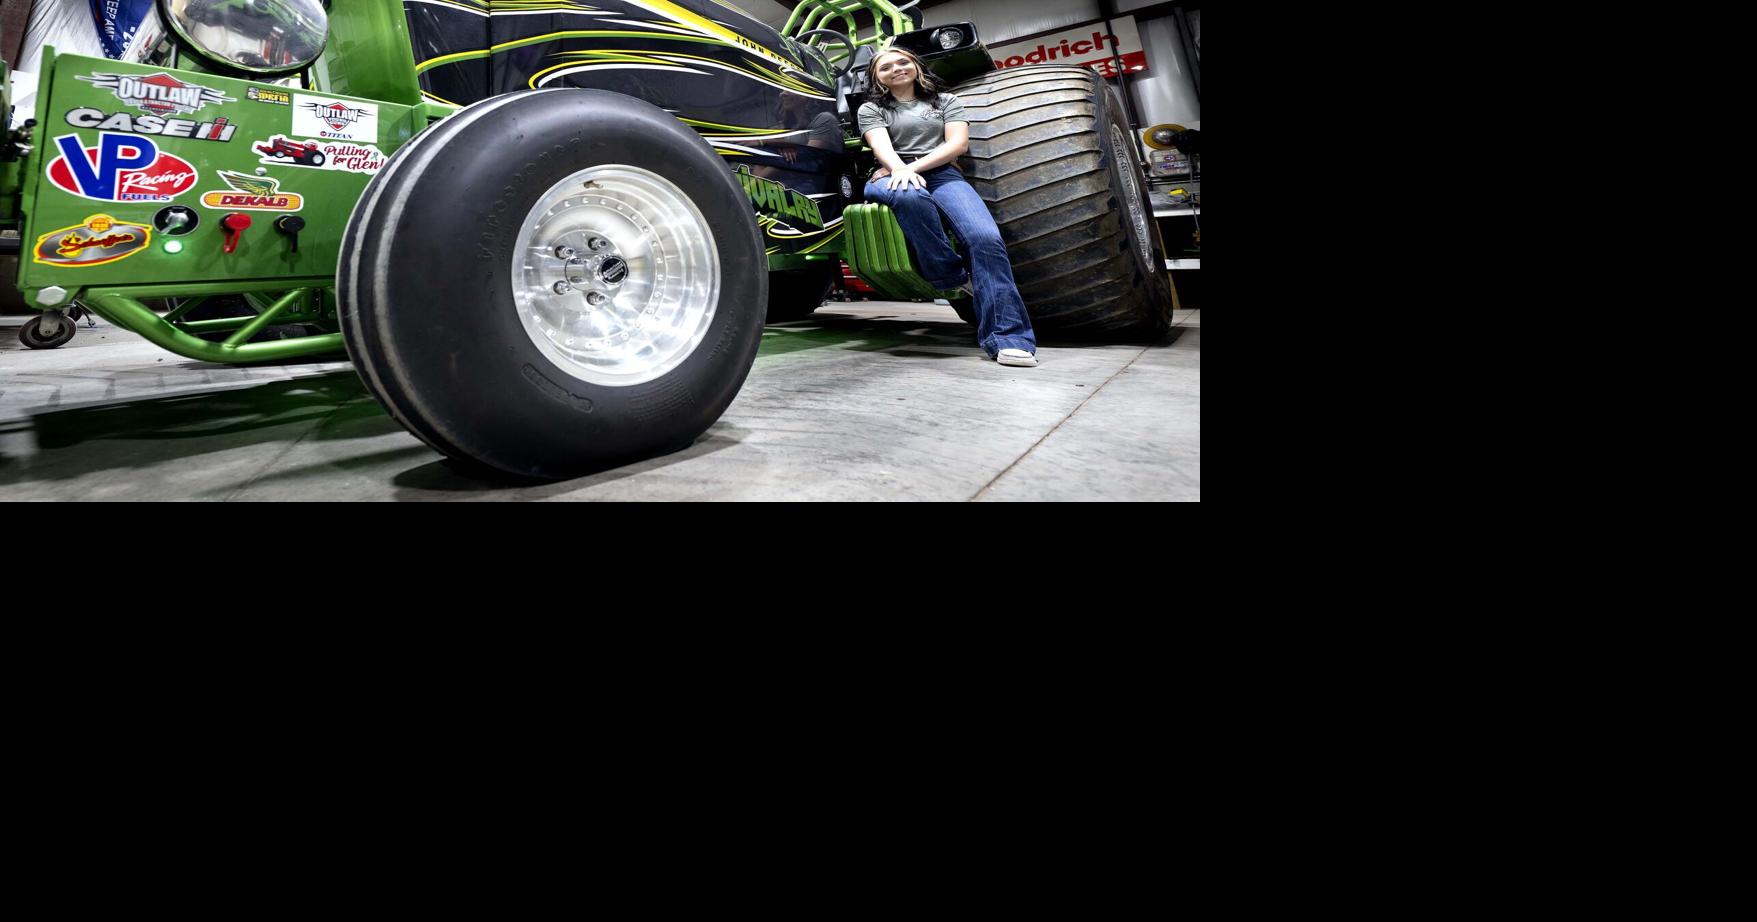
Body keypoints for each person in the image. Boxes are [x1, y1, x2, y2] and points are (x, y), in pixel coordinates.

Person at [856, 46, 1037, 367]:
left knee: (985, 239)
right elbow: (880, 145)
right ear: (877, 78)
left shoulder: (945, 102)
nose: (896, 69)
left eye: (902, 62)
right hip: (889, 172)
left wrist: (913, 169)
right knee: (910, 195)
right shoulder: (871, 108)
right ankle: (949, 274)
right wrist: (900, 169)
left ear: (916, 66)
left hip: (940, 173)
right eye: (886, 67)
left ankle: (1009, 338)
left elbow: (957, 144)